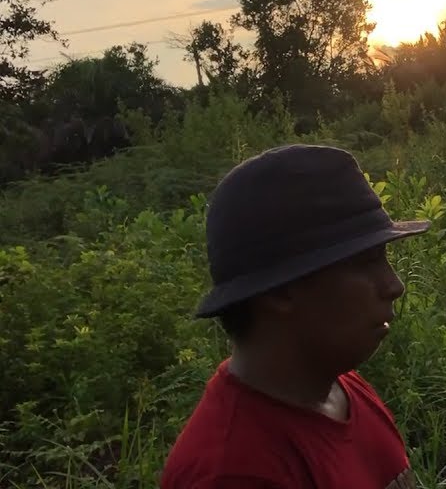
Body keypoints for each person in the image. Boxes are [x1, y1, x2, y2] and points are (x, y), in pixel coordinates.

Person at [161, 144, 431, 489]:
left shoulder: (341, 388)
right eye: (366, 262)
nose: (395, 285)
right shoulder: (235, 472)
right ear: (280, 291)